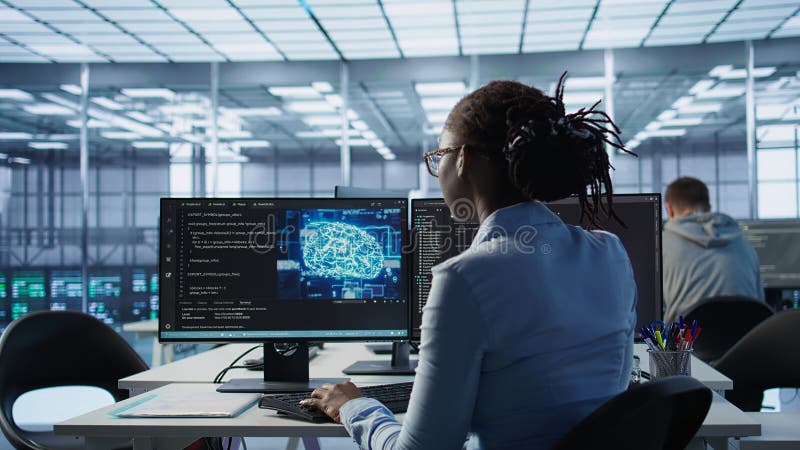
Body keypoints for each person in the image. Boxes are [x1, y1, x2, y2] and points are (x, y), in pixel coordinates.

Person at [300, 76, 638, 449]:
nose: (436, 168)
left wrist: (355, 407)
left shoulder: (465, 278)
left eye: (437, 157)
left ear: (462, 160)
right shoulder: (611, 253)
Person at [662, 176, 764, 323]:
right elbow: (760, 308)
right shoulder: (745, 244)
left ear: (669, 209)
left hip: (685, 343)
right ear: (709, 208)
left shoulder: (662, 245)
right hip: (745, 343)